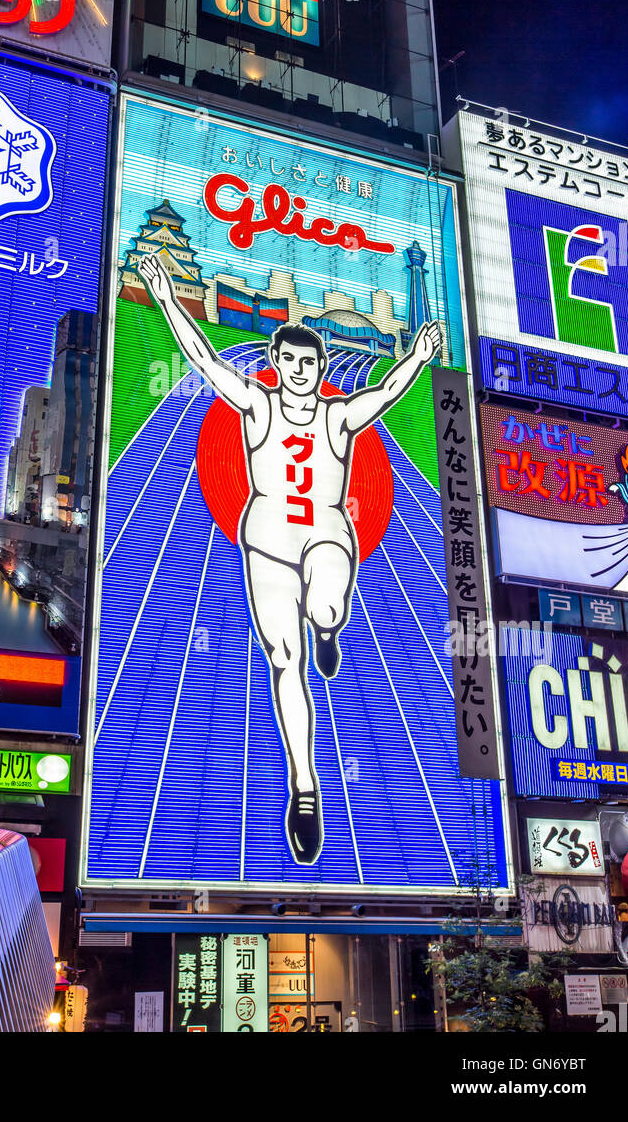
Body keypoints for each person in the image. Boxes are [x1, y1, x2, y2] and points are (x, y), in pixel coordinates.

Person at [139, 252, 442, 864]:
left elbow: (384, 391)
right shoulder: (257, 405)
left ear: (320, 365)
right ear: (275, 363)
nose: (299, 369)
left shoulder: (338, 416)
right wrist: (169, 298)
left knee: (327, 606)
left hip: (328, 532)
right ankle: (305, 786)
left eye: (310, 361)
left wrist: (418, 356)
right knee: (285, 657)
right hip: (268, 542)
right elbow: (204, 359)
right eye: (289, 360)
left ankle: (329, 626)